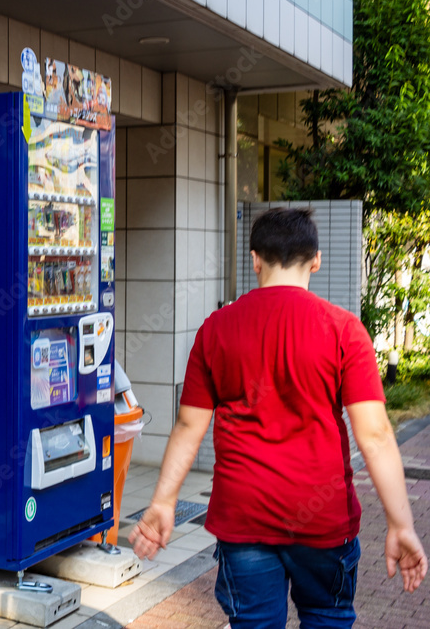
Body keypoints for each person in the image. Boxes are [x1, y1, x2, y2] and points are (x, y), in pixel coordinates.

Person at [129, 207, 427, 628]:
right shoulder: (344, 330)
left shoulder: (216, 329)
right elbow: (375, 436)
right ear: (316, 260)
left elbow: (189, 427)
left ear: (255, 260)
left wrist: (162, 502)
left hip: (243, 520)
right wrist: (401, 523)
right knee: (328, 615)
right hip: (325, 523)